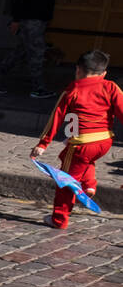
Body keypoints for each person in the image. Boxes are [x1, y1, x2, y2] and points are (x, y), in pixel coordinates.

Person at [33, 50, 123, 229]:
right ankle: (89, 185)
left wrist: (43, 143)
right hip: (104, 142)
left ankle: (59, 219)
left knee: (65, 179)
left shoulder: (72, 89)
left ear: (78, 70)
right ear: (104, 73)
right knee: (82, 159)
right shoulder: (111, 87)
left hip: (82, 143)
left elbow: (57, 116)